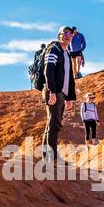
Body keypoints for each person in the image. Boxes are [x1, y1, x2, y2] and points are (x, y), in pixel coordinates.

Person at [39, 26, 76, 159]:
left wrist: (69, 97)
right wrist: (52, 91)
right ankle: (51, 156)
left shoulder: (66, 53)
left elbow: (69, 77)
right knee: (54, 123)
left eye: (71, 34)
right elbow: (48, 71)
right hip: (53, 91)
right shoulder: (54, 49)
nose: (68, 35)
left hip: (61, 93)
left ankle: (47, 154)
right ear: (58, 35)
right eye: (65, 33)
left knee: (53, 122)